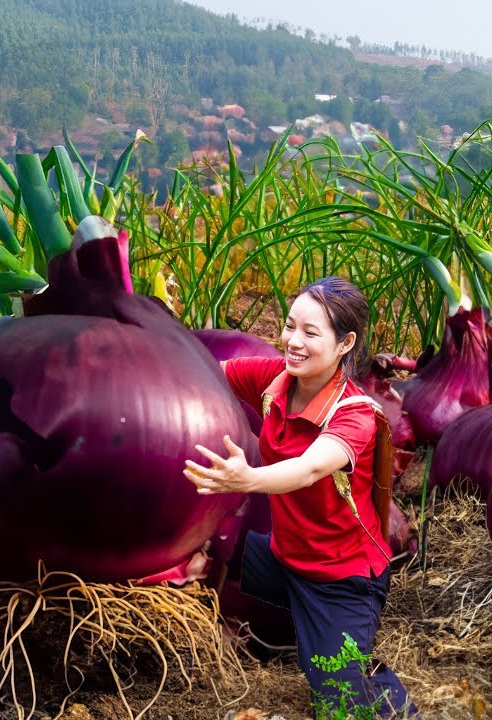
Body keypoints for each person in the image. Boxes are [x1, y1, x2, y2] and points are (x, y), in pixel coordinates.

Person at [183, 277, 418, 719]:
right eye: (290, 326)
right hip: (280, 562)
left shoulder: (354, 415)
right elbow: (204, 371)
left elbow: (309, 467)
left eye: (311, 333)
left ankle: (395, 706)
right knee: (200, 542)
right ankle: (220, 625)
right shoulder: (274, 381)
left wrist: (246, 479)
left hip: (341, 581)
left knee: (342, 708)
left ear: (345, 343)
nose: (293, 341)